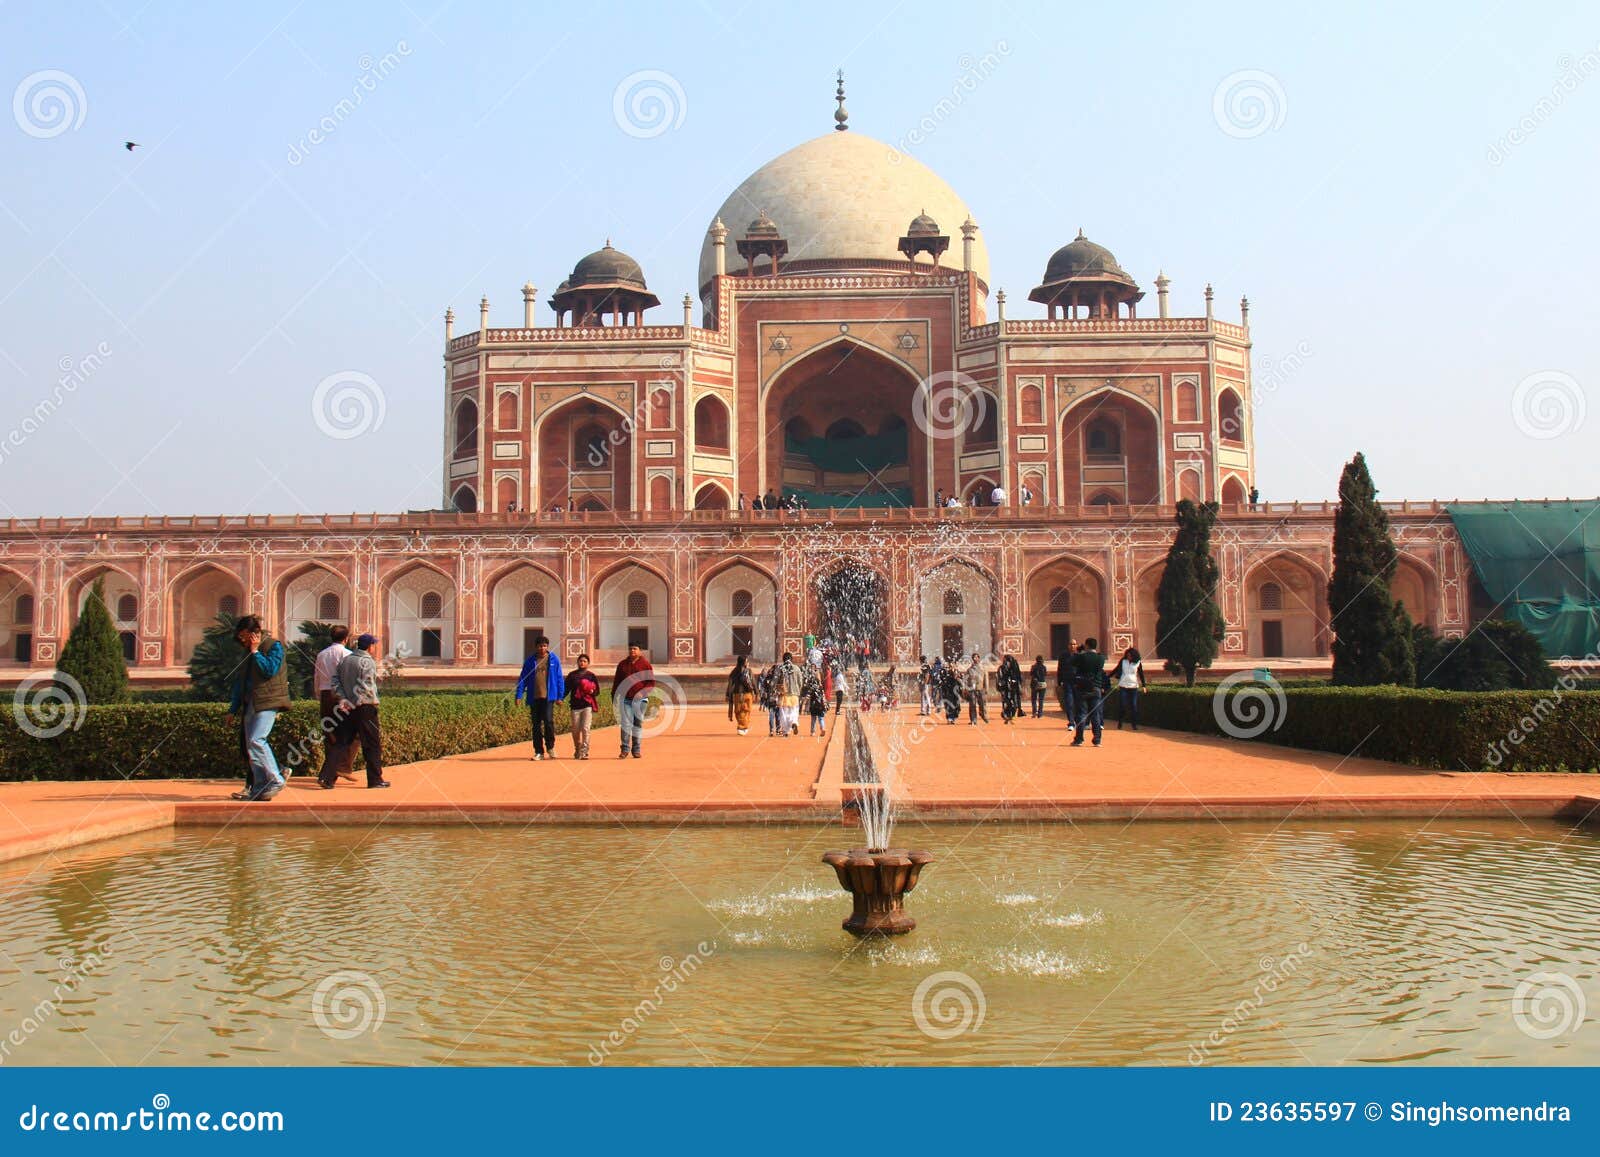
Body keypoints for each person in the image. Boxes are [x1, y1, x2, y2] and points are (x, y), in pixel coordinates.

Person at [225, 615, 289, 801]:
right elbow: (241, 683)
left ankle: (276, 779)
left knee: (256, 740)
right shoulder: (247, 653)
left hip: (268, 700)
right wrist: (233, 709)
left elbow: (270, 670)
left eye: (244, 636)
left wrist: (256, 652)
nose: (242, 640)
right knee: (250, 747)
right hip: (251, 702)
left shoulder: (273, 646)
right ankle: (259, 787)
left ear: (254, 634)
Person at [332, 633, 390, 788]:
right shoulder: (367, 661)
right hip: (365, 706)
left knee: (343, 741)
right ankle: (375, 780)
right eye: (374, 645)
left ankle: (327, 777)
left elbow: (335, 680)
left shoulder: (346, 659)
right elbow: (367, 685)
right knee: (372, 744)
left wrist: (344, 699)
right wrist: (357, 701)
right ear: (370, 646)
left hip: (348, 707)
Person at [314, 625, 356, 788]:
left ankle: (330, 774)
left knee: (330, 735)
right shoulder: (347, 654)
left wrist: (319, 695)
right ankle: (334, 772)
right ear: (346, 639)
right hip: (341, 695)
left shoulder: (322, 654)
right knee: (346, 734)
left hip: (326, 695)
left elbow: (317, 676)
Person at [514, 635, 566, 761]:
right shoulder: (530, 661)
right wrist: (519, 694)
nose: (542, 648)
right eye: (540, 646)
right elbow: (523, 679)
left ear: (547, 646)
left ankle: (550, 747)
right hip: (534, 697)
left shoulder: (554, 660)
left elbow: (559, 678)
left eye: (544, 646)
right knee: (536, 725)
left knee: (548, 722)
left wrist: (560, 696)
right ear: (536, 647)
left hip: (548, 697)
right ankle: (539, 751)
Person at [612, 643, 654, 758]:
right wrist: (614, 696)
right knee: (625, 724)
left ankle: (636, 749)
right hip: (626, 699)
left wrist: (642, 693)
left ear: (640, 651)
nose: (632, 651)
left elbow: (651, 682)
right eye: (630, 649)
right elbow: (617, 681)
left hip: (640, 700)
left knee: (637, 724)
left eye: (635, 649)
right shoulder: (622, 665)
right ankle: (624, 749)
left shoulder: (645, 664)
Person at [1070, 636, 1109, 747]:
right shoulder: (1100, 658)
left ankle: (1079, 739)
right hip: (1096, 688)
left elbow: (1071, 661)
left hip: (1082, 688)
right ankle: (1097, 740)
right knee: (1095, 715)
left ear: (1086, 645)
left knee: (1081, 714)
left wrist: (1080, 652)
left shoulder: (1082, 657)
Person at [567, 654, 600, 758]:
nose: (582, 663)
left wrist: (591, 691)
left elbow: (597, 691)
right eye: (580, 661)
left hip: (587, 705)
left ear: (588, 663)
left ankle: (584, 751)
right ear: (577, 662)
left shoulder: (591, 676)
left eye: (585, 661)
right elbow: (566, 689)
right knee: (575, 729)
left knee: (586, 728)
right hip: (575, 706)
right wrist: (560, 698)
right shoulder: (572, 675)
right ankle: (577, 748)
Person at [1111, 647, 1147, 730]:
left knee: (1134, 706)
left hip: (1133, 686)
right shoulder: (1123, 661)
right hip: (1123, 686)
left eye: (1130, 656)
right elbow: (1116, 670)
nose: (1128, 657)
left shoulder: (1138, 663)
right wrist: (1107, 676)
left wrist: (1144, 686)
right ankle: (1120, 722)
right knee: (1122, 705)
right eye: (1127, 655)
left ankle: (1134, 724)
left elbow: (1141, 674)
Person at [725, 655, 756, 735]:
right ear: (744, 662)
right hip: (747, 693)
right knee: (746, 710)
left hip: (737, 694)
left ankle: (742, 726)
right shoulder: (748, 671)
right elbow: (753, 682)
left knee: (739, 711)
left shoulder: (734, 672)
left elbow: (730, 684)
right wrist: (756, 692)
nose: (748, 663)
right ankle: (743, 726)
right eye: (747, 661)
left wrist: (728, 694)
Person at [776, 652, 803, 736]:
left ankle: (786, 731)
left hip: (784, 695)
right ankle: (794, 722)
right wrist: (798, 690)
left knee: (784, 713)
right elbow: (800, 682)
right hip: (794, 694)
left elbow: (776, 681)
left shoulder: (781, 668)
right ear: (792, 659)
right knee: (794, 711)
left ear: (783, 659)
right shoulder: (797, 669)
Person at [962, 651, 990, 724]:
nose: (975, 659)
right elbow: (966, 680)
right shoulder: (969, 669)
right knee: (972, 705)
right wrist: (965, 689)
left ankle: (984, 716)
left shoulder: (983, 668)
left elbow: (986, 679)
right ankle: (973, 720)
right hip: (972, 689)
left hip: (980, 689)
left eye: (976, 657)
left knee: (982, 705)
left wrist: (986, 688)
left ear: (979, 658)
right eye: (974, 657)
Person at [802, 662, 827, 736]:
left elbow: (808, 695)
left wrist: (804, 703)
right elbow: (823, 696)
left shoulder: (811, 687)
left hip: (813, 704)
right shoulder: (820, 687)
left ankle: (812, 732)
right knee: (821, 718)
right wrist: (825, 703)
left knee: (813, 719)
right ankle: (822, 728)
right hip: (820, 704)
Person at [997, 654, 1023, 723]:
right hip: (1005, 687)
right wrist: (1001, 686)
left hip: (1013, 688)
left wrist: (1016, 682)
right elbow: (999, 678)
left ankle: (1010, 715)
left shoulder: (1014, 668)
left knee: (1014, 703)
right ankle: (1007, 716)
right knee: (1006, 702)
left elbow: (1018, 677)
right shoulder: (1001, 668)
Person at [1028, 654, 1049, 719]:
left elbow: (1031, 674)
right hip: (1042, 684)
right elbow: (1045, 674)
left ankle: (1034, 713)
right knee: (1041, 700)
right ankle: (1040, 714)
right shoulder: (1044, 667)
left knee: (1034, 699)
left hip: (1035, 684)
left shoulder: (1033, 667)